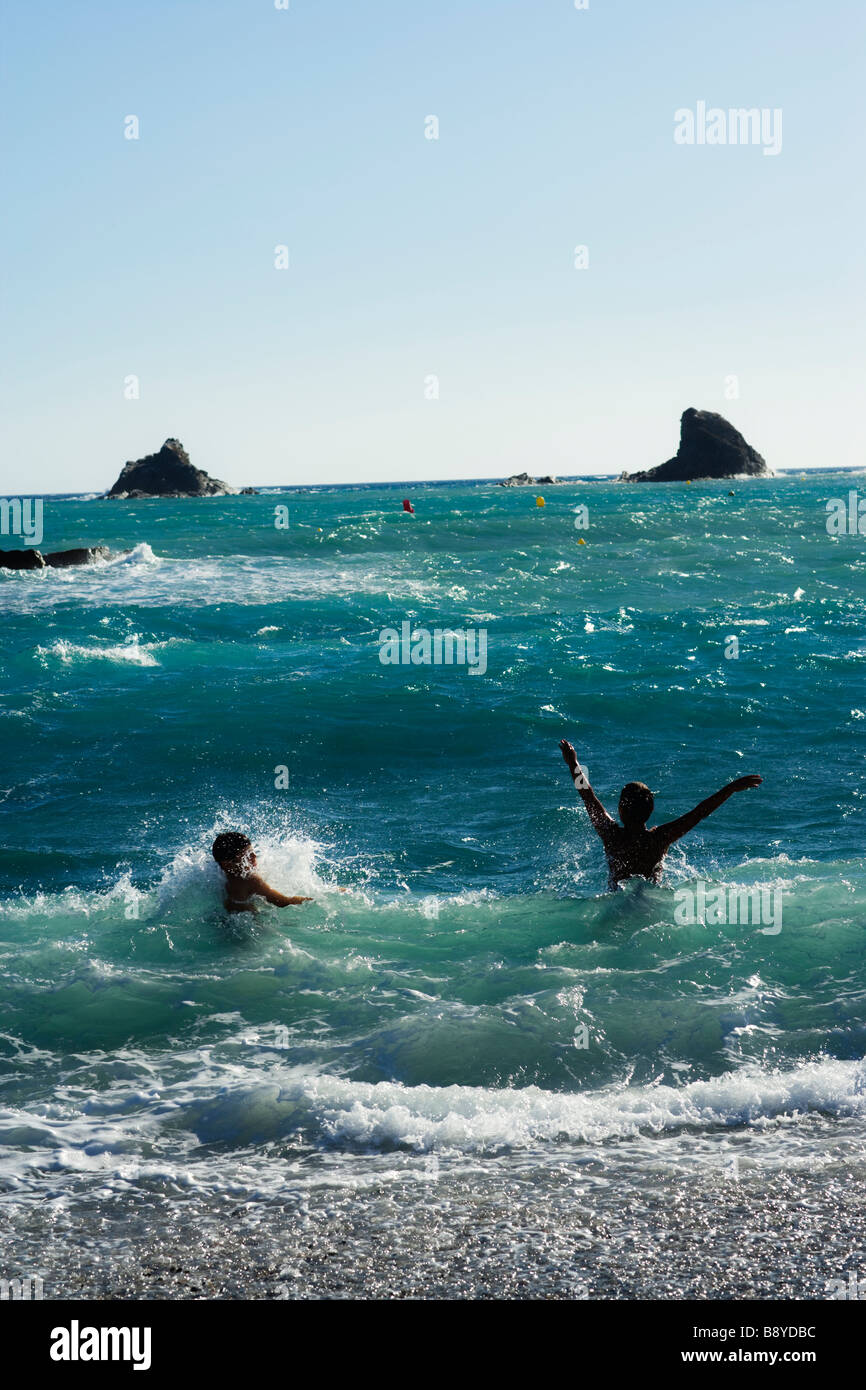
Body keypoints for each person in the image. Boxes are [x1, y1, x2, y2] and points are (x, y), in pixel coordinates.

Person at [559, 740, 762, 890]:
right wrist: (731, 789)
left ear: (621, 809)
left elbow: (587, 795)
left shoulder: (612, 836)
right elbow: (699, 813)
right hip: (650, 905)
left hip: (618, 904)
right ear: (651, 810)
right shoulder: (660, 838)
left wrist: (573, 764)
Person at [211, 832, 313, 913]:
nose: (254, 857)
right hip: (249, 925)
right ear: (228, 864)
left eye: (253, 852)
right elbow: (282, 902)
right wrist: (309, 900)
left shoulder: (217, 873)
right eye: (248, 855)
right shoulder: (250, 880)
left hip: (227, 918)